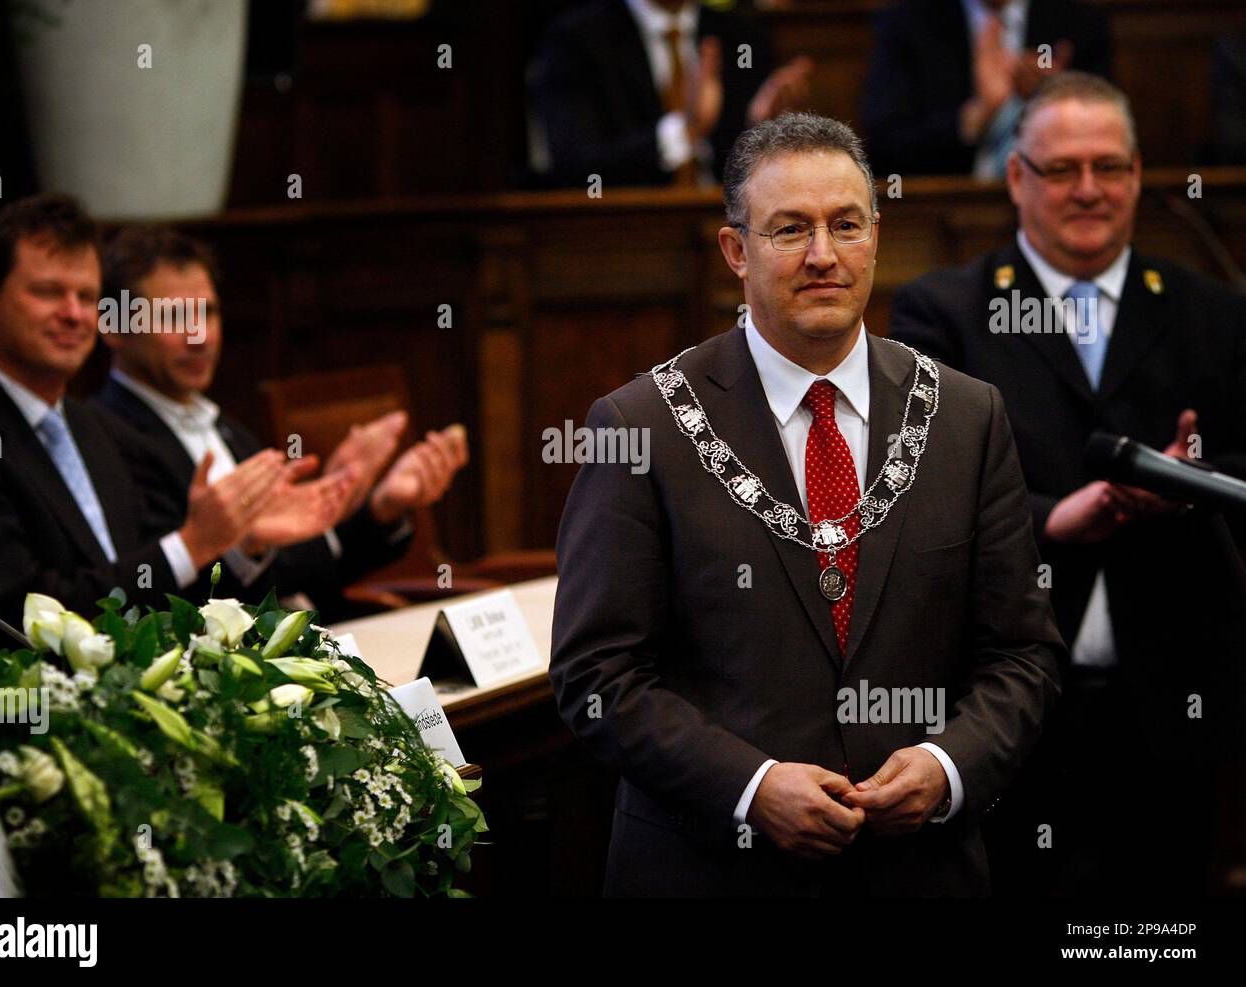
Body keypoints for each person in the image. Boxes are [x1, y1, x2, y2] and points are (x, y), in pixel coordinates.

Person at [550, 112, 1064, 896]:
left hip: (918, 875)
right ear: (736, 251)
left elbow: (1022, 654)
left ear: (876, 238)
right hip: (712, 872)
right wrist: (751, 788)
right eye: (790, 229)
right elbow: (598, 675)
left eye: (845, 225)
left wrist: (947, 762)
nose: (823, 256)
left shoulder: (967, 415)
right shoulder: (639, 424)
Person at [890, 71, 1246, 894]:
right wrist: (1052, 518)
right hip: (1003, 704)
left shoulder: (1212, 312)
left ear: (1136, 172)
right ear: (1016, 177)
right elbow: (915, 492)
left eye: (1110, 167)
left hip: (1173, 699)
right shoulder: (942, 315)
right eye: (1061, 169)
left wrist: (1191, 482)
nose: (1090, 190)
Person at [0, 195, 339, 640]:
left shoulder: (96, 430)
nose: (74, 314)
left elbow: (144, 586)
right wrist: (192, 543)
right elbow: (20, 611)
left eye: (87, 297)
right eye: (48, 292)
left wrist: (240, 540)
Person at [93, 225, 470, 619]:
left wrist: (380, 506)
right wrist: (248, 545)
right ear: (116, 327)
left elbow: (305, 573)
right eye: (174, 317)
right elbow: (165, 600)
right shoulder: (106, 439)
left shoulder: (224, 427)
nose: (200, 336)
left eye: (208, 312)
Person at [530, 0, 813, 187]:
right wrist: (684, 130)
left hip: (724, 228)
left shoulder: (740, 34)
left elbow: (738, 165)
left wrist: (762, 129)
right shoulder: (577, 38)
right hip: (620, 233)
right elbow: (575, 166)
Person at [862, 0, 1110, 177]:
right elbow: (883, 150)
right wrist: (974, 118)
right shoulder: (905, 24)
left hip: (1053, 198)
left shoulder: (1080, 23)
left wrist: (1061, 102)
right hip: (950, 205)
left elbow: (1111, 138)